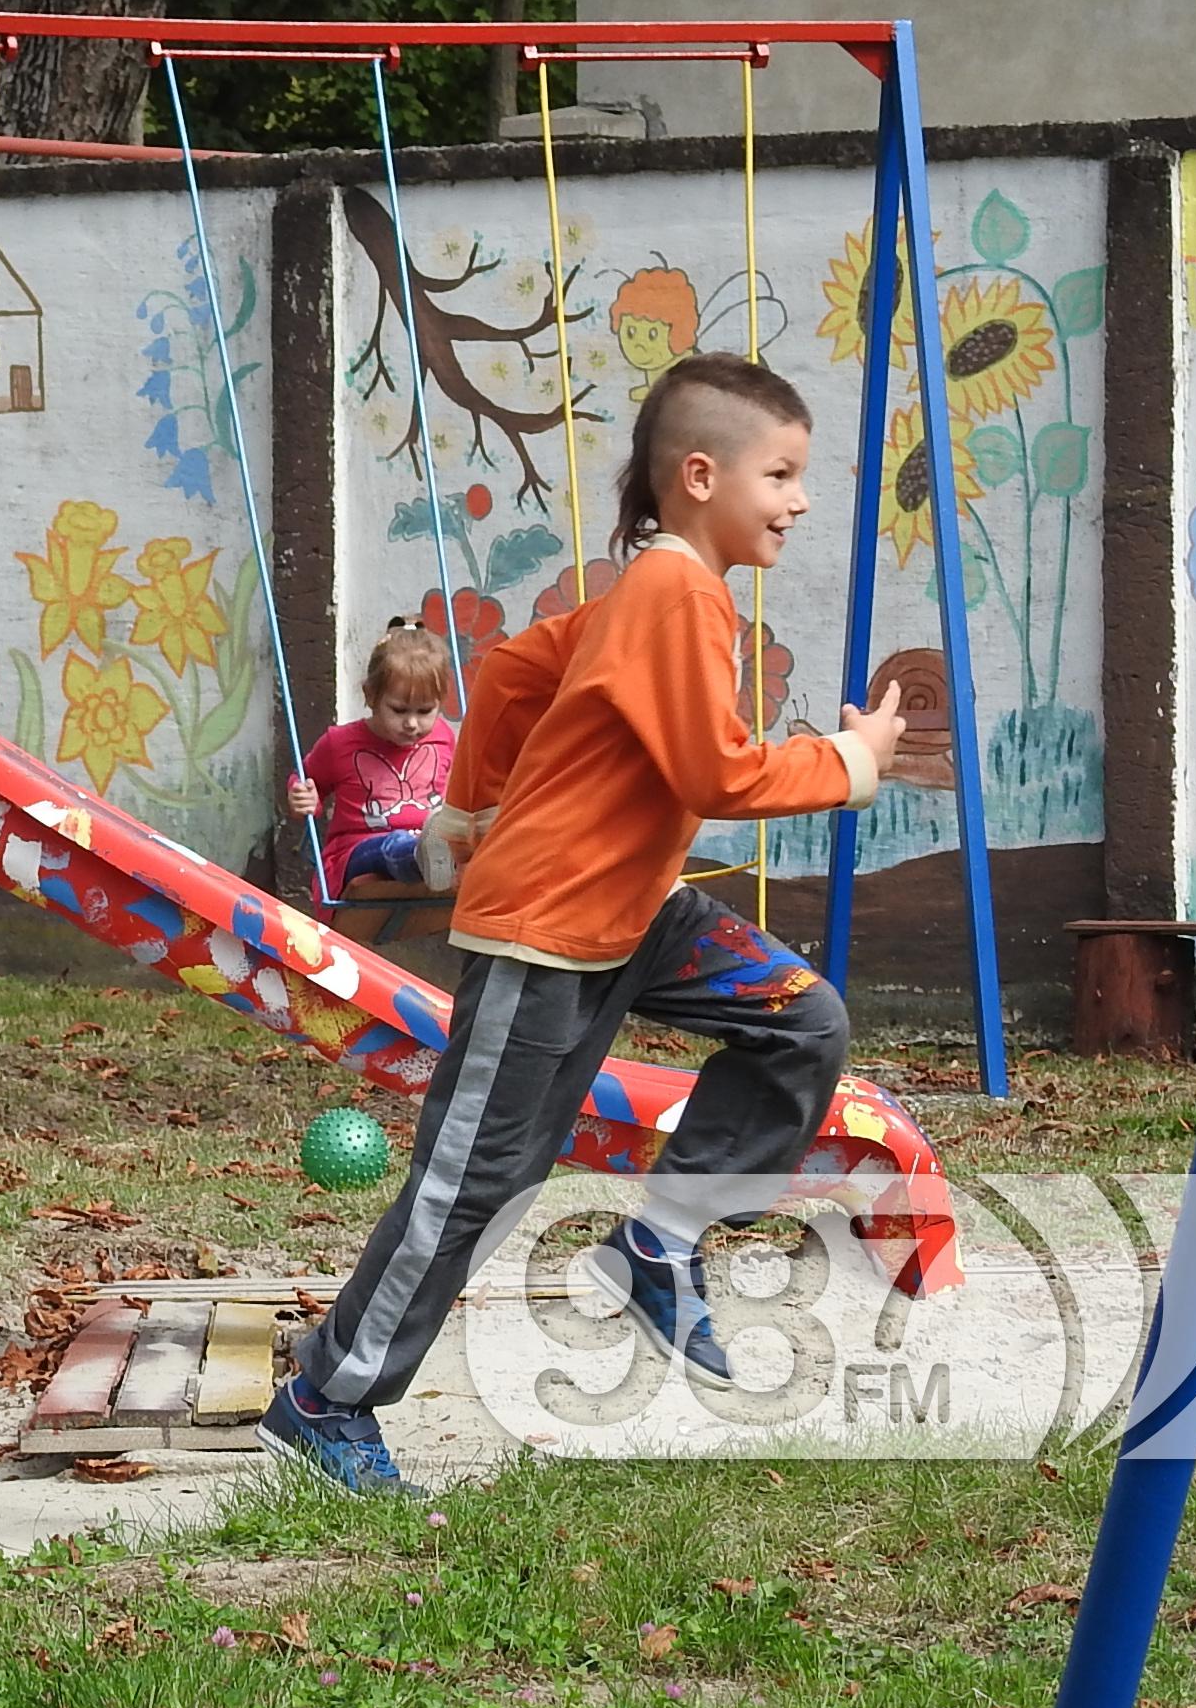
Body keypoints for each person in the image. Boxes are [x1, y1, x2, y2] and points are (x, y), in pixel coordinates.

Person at [261, 352, 909, 1493]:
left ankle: (658, 1246)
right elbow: (716, 772)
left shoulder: (648, 595)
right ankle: (328, 1396)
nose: (800, 500)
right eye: (781, 474)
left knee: (801, 1023)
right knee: (481, 1179)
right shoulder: (676, 595)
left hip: (634, 910)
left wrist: (468, 806)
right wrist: (851, 762)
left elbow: (514, 671)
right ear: (699, 477)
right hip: (549, 925)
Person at [285, 621, 457, 896]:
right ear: (371, 696)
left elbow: (454, 788)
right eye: (399, 710)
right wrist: (303, 798)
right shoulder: (340, 743)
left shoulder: (443, 737)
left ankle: (434, 857)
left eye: (425, 711)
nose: (412, 723)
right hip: (357, 853)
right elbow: (305, 779)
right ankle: (420, 857)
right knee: (391, 847)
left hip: (428, 840)